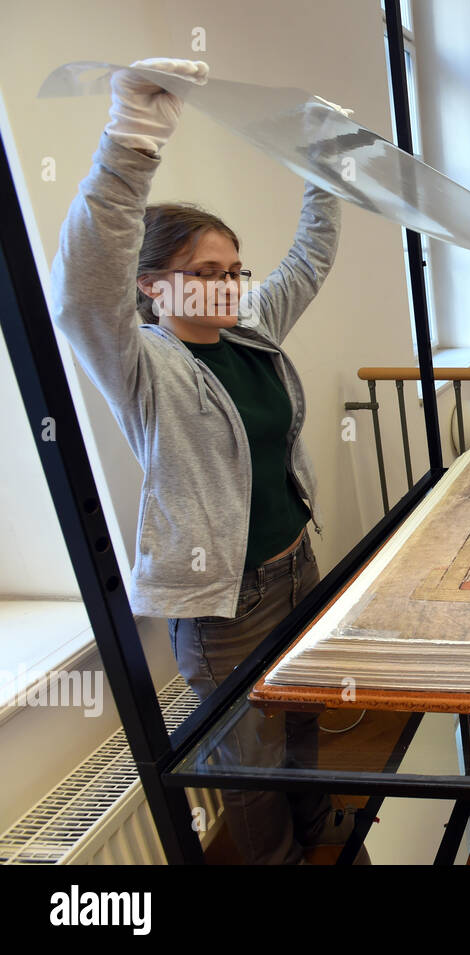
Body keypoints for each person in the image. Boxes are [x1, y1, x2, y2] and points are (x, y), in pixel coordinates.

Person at [50, 58, 363, 864]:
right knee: (248, 771)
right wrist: (134, 138)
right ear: (153, 286)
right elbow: (84, 287)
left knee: (303, 724)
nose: (226, 288)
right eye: (204, 275)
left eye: (232, 272)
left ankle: (323, 836)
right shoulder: (143, 365)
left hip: (298, 567)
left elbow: (312, 257)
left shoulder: (248, 331)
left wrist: (321, 164)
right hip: (224, 605)